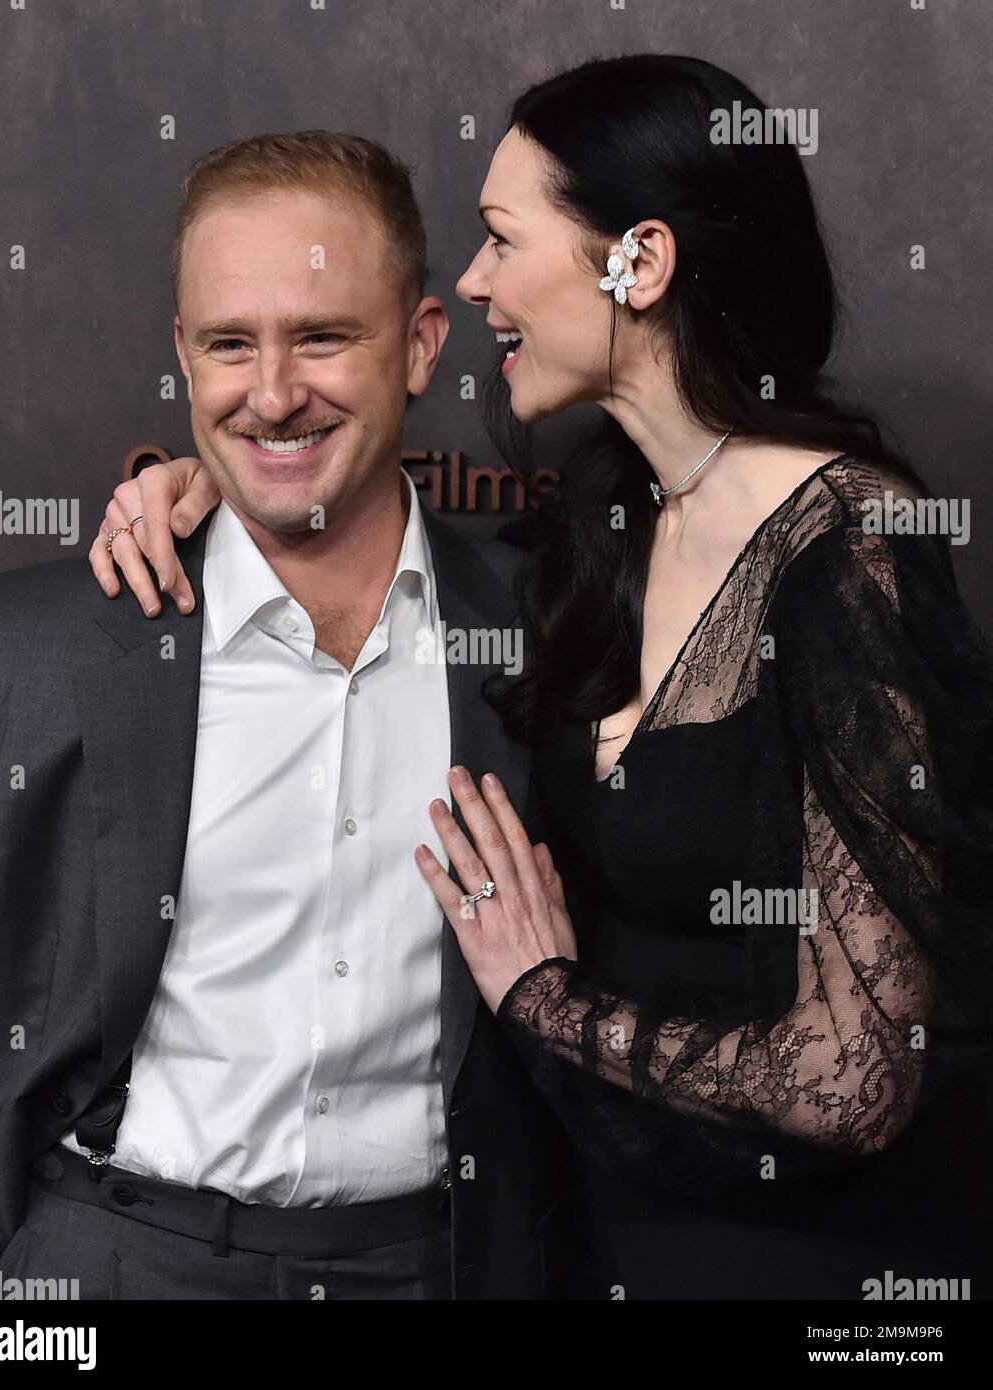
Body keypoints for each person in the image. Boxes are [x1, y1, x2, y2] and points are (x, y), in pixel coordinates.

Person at [99, 56, 993, 1301]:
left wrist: (545, 998)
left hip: (814, 1277)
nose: (471, 285)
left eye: (501, 240)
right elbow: (325, 510)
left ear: (639, 262)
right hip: (593, 1255)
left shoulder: (852, 548)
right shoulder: (593, 539)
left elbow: (855, 1077)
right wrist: (204, 491)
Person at [0, 131, 575, 1303]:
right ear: (185, 356)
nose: (273, 394)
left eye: (324, 336)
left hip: (438, 1263)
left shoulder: (550, 636)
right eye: (231, 344)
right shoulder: (22, 648)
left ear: (423, 345)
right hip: (101, 1262)